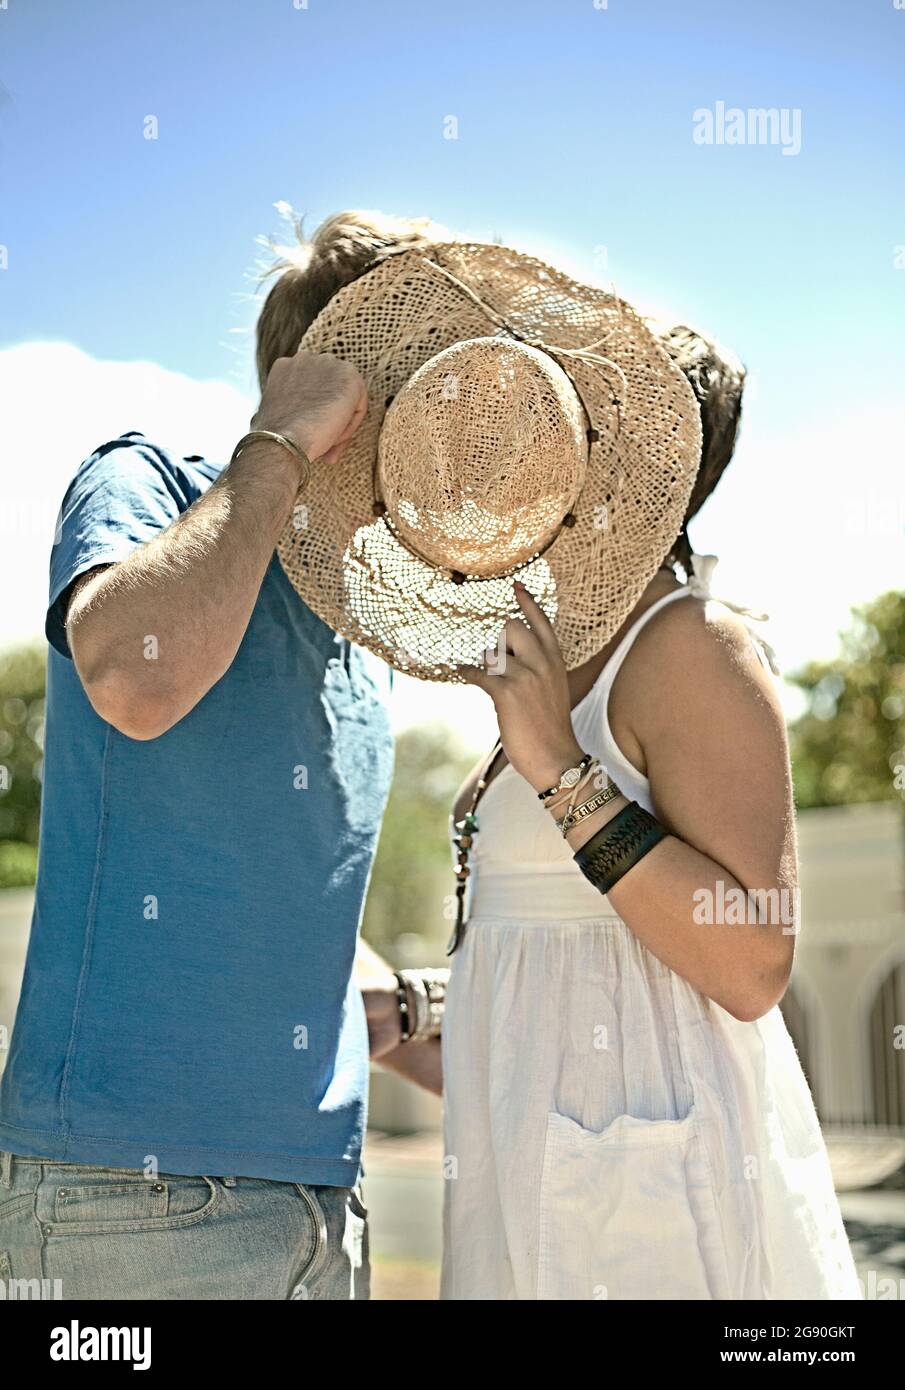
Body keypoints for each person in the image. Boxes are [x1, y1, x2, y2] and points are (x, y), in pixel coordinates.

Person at [269, 213, 862, 1301]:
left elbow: (749, 964)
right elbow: (561, 985)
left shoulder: (688, 643)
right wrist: (414, 1015)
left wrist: (556, 772)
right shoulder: (553, 655)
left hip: (664, 1236)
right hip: (530, 1211)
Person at [0, 236, 418, 1298]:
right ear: (334, 386)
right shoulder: (144, 479)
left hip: (325, 1211)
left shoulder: (360, 633)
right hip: (123, 1211)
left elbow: (286, 907)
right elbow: (135, 681)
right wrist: (278, 440)